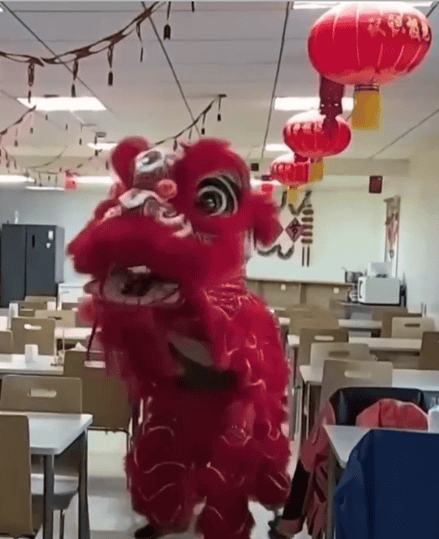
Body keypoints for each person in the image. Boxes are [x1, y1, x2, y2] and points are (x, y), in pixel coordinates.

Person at [68, 136, 291, 539]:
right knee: (160, 448)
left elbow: (240, 363)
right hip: (177, 392)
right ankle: (164, 514)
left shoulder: (234, 302)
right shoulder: (153, 299)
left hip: (230, 394)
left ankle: (225, 522)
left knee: (231, 464)